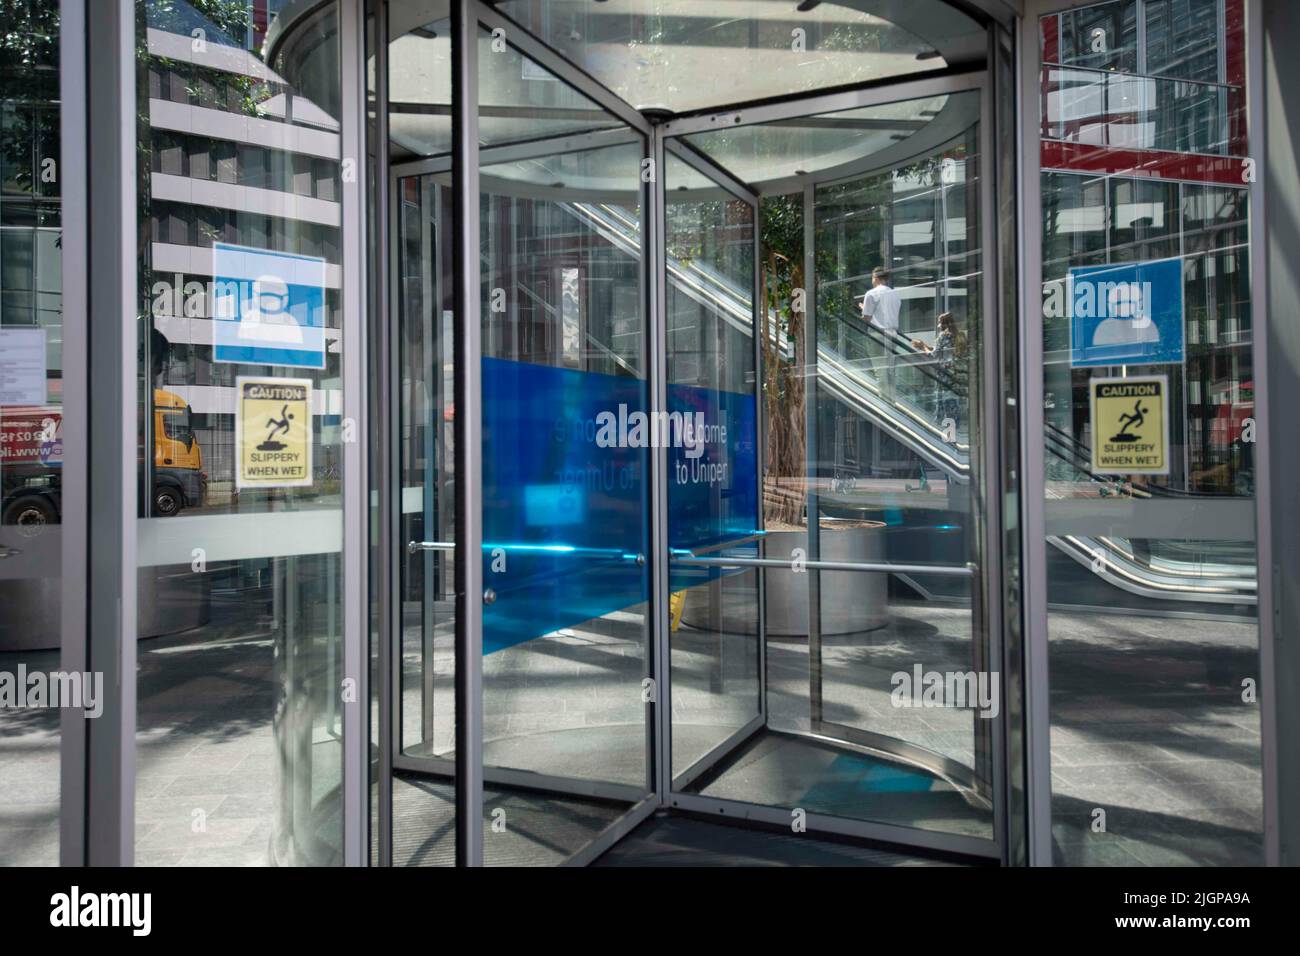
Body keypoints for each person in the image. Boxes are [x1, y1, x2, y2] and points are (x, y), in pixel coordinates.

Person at [911, 312, 967, 432]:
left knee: (944, 407)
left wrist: (922, 347)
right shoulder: (959, 335)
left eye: (939, 323)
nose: (938, 325)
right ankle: (953, 436)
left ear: (944, 324)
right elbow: (942, 352)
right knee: (953, 407)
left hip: (944, 378)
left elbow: (934, 355)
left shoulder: (943, 336)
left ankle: (947, 439)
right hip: (956, 376)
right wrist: (926, 346)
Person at [860, 267, 901, 398]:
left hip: (878, 334)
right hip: (893, 335)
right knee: (890, 370)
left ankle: (884, 402)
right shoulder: (894, 294)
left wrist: (862, 308)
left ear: (876, 278)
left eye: (872, 277)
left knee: (880, 371)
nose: (872, 280)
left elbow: (866, 318)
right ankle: (892, 401)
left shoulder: (871, 294)